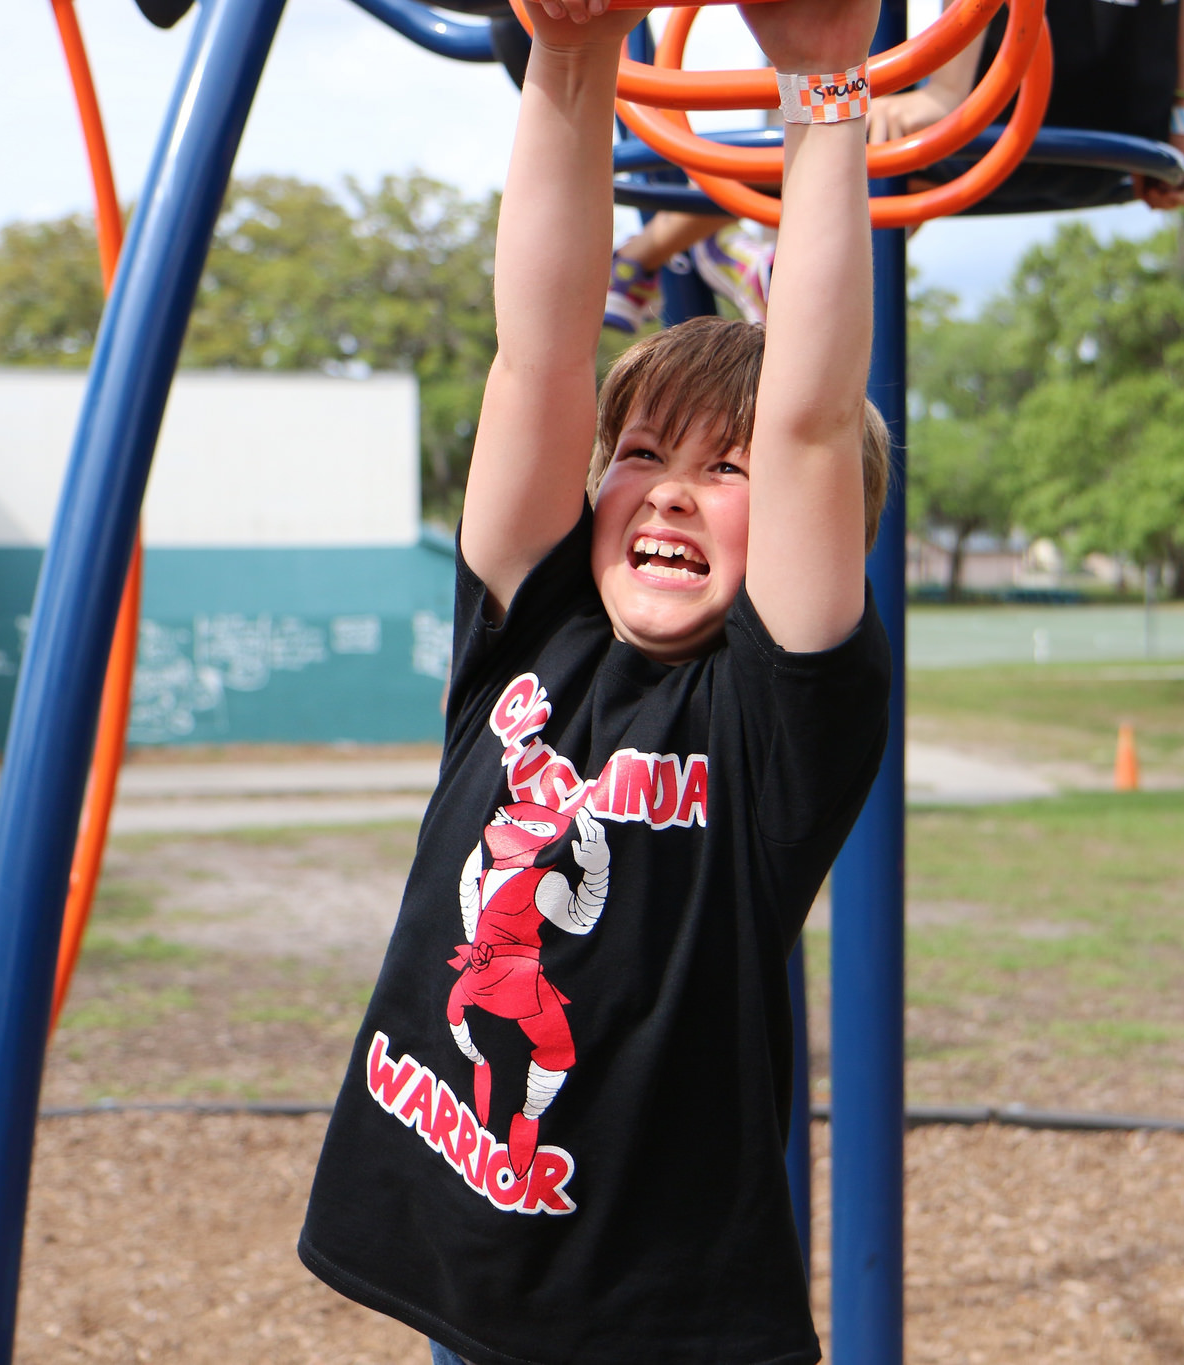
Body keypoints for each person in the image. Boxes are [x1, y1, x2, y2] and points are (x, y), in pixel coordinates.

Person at [297, 0, 892, 1360]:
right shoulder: (535, 625)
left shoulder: (771, 724)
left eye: (723, 472)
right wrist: (572, 54)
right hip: (467, 1248)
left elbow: (806, 421)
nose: (672, 492)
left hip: (661, 1316)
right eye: (644, 455)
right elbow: (543, 353)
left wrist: (822, 90)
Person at [604, 0, 1184, 332]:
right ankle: (717, 263)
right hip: (1016, 93)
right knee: (873, 146)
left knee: (885, 154)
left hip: (1094, 100)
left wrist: (1182, 122)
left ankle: (698, 259)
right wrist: (946, 96)